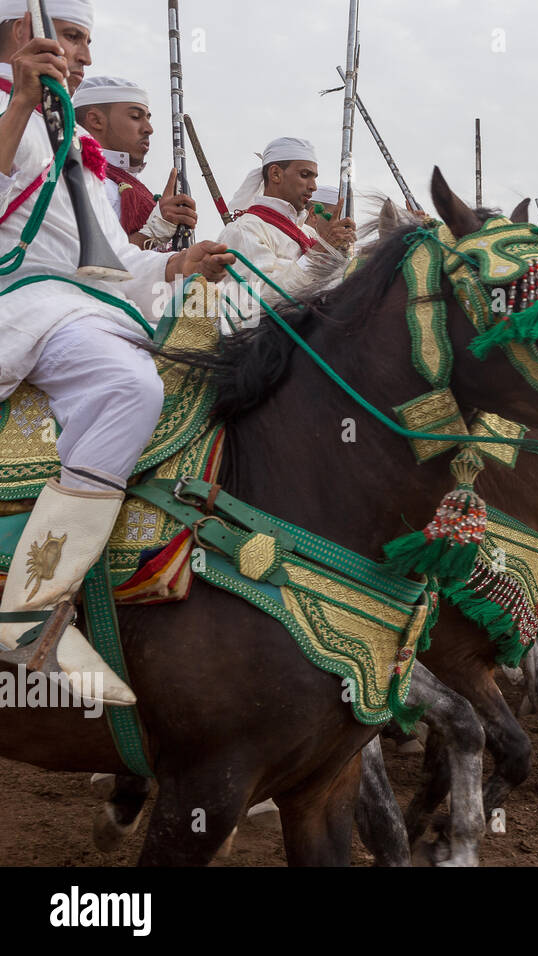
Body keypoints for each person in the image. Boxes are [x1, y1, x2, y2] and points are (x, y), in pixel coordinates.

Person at [0, 3, 235, 707]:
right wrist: (18, 102)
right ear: (20, 34)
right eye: (69, 37)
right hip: (25, 303)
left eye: (84, 42)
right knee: (129, 388)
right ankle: (32, 607)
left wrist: (177, 264)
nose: (81, 56)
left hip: (87, 307)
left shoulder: (76, 145)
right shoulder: (20, 113)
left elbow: (111, 262)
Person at [217, 136, 355, 320]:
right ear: (275, 174)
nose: (313, 186)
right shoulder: (245, 230)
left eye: (314, 178)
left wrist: (340, 252)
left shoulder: (307, 233)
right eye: (305, 175)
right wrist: (320, 252)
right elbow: (255, 305)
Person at [71, 75, 196, 250]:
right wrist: (156, 229)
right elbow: (93, 265)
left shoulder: (126, 183)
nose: (149, 129)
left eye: (148, 118)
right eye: (135, 117)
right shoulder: (77, 179)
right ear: (96, 120)